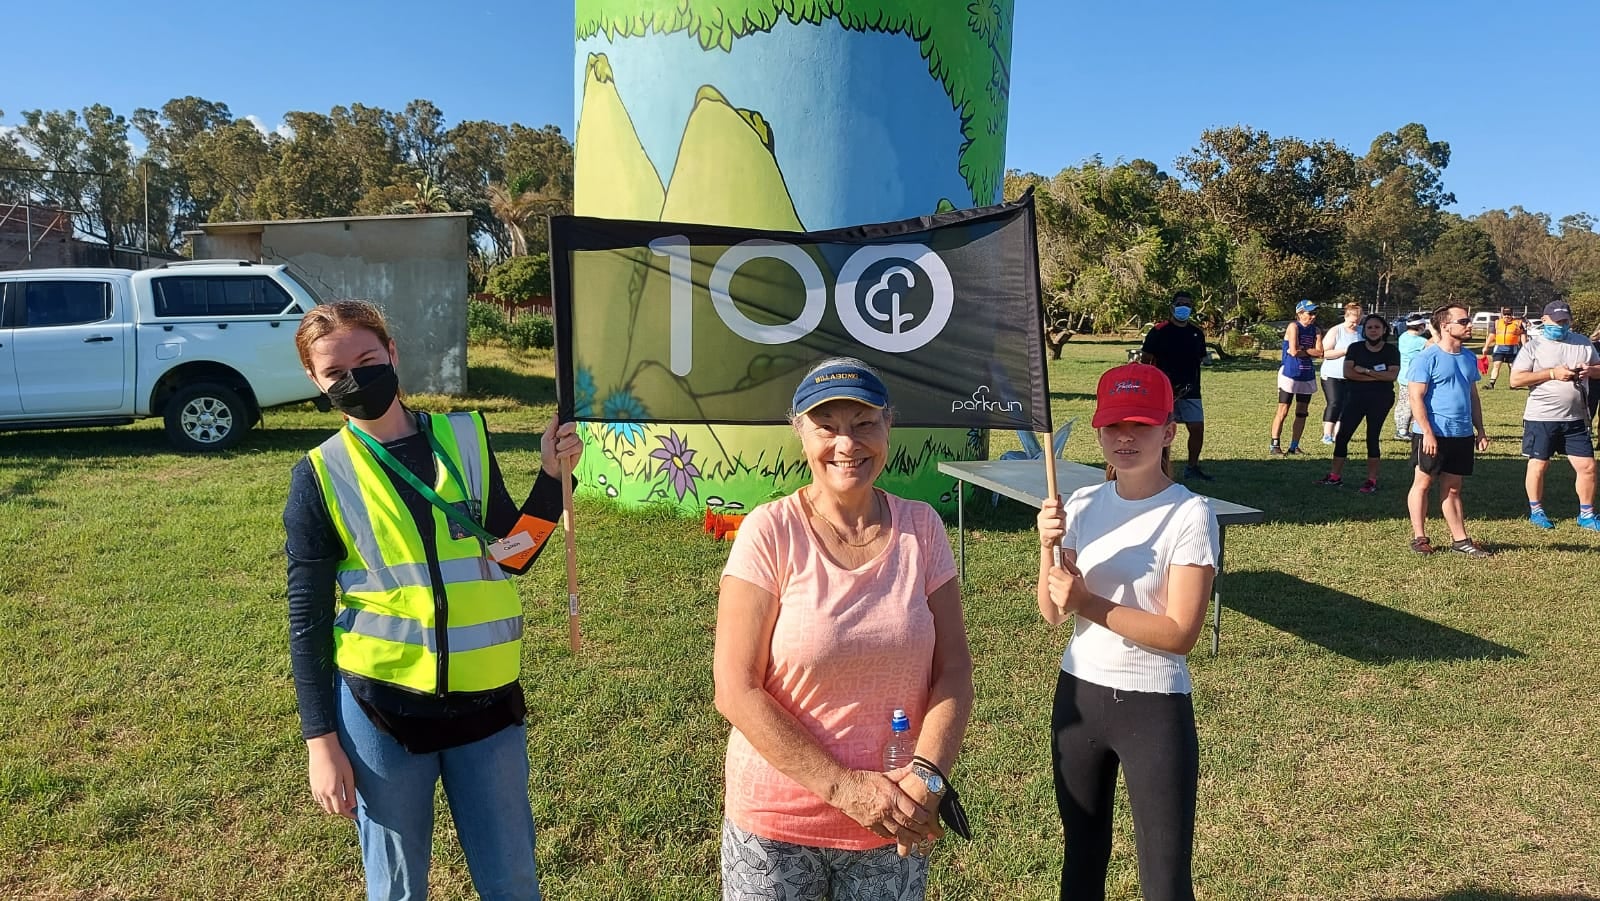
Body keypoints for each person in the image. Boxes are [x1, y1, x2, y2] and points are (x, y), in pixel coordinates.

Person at [284, 300, 582, 901]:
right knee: (396, 887)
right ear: (315, 384)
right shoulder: (320, 474)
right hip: (381, 712)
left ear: (392, 354)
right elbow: (306, 620)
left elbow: (511, 553)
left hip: (487, 707)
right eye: (334, 373)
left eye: (366, 360)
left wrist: (550, 480)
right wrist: (322, 743)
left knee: (513, 881)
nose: (354, 379)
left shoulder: (465, 437)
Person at [714, 357, 974, 900]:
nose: (846, 443)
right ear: (800, 433)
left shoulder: (922, 527)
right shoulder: (770, 532)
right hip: (776, 824)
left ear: (888, 428)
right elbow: (735, 689)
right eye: (826, 425)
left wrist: (926, 777)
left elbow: (953, 670)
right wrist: (848, 790)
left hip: (896, 821)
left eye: (863, 423)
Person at [1035, 362, 1219, 901]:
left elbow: (1180, 634)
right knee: (1082, 856)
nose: (1125, 438)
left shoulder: (1190, 514)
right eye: (1114, 424)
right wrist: (1045, 547)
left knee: (1163, 878)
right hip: (1080, 697)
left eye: (1140, 425)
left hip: (1152, 708)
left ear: (1168, 432)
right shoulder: (1081, 504)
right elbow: (1051, 613)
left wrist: (1089, 601)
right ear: (1098, 429)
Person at [1405, 304, 1493, 557]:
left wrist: (1480, 430)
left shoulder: (1467, 357)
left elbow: (1472, 396)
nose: (1469, 325)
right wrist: (1428, 432)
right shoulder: (1426, 357)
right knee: (1423, 482)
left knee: (1453, 487)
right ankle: (1420, 537)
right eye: (1463, 321)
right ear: (1445, 325)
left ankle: (1460, 540)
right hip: (1432, 432)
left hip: (1461, 433)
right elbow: (1415, 398)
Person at [1509, 301, 1600, 531]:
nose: (1562, 325)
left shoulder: (1583, 343)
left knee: (1588, 467)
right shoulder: (1534, 346)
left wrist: (1590, 370)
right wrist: (1551, 373)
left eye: (1565, 321)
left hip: (1576, 418)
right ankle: (1536, 511)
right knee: (1539, 465)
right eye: (1557, 321)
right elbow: (1515, 380)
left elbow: (1599, 368)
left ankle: (1587, 515)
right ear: (1545, 320)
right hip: (1542, 417)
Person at [1317, 314, 1400, 493]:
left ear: (1384, 330)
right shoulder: (1355, 348)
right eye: (1369, 327)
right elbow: (1349, 373)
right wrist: (1377, 376)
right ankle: (1334, 476)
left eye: (1377, 327)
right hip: (1354, 397)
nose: (1373, 331)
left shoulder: (1391, 351)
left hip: (1380, 399)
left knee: (1372, 437)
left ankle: (1371, 480)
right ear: (1365, 330)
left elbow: (1392, 376)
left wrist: (1365, 371)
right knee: (1342, 436)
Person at [1140, 290, 1213, 481]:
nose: (1184, 308)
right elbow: (1146, 359)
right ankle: (1159, 467)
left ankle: (1193, 467)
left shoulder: (1196, 333)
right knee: (1162, 430)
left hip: (1191, 389)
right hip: (1163, 390)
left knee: (1197, 427)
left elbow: (1201, 357)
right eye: (1180, 303)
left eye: (1188, 305)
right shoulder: (1159, 331)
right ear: (1172, 306)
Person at [1270, 300, 1323, 455]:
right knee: (1283, 410)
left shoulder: (1316, 330)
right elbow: (1293, 351)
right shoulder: (1294, 327)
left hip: (1307, 374)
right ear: (1300, 313)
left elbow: (1321, 352)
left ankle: (1294, 446)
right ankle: (1275, 445)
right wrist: (1309, 350)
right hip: (1290, 374)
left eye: (1315, 313)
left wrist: (1303, 349)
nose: (1313, 316)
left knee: (1302, 412)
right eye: (1310, 313)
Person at [1318, 301, 1364, 444]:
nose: (1354, 325)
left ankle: (1339, 434)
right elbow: (1324, 353)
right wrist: (1345, 351)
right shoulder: (1336, 331)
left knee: (1346, 405)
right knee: (1334, 403)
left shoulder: (1362, 331)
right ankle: (1327, 434)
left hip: (1351, 376)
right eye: (1352, 322)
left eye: (1357, 322)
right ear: (1345, 317)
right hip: (1332, 375)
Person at [1393, 313, 1431, 440]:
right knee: (1411, 403)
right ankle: (1403, 431)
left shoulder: (1403, 337)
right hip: (1413, 378)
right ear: (1421, 326)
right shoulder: (1420, 341)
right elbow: (1435, 346)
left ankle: (1401, 429)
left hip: (1403, 376)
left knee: (1403, 403)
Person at [1482, 306, 1527, 389]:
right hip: (1499, 348)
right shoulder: (1497, 323)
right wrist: (1486, 346)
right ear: (1502, 315)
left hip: (1512, 349)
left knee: (1512, 366)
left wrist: (1524, 346)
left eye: (1509, 314)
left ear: (1512, 315)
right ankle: (1491, 384)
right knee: (1496, 365)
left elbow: (1523, 334)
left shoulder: (1518, 323)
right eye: (1505, 314)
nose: (1507, 316)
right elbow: (1492, 335)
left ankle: (1513, 384)